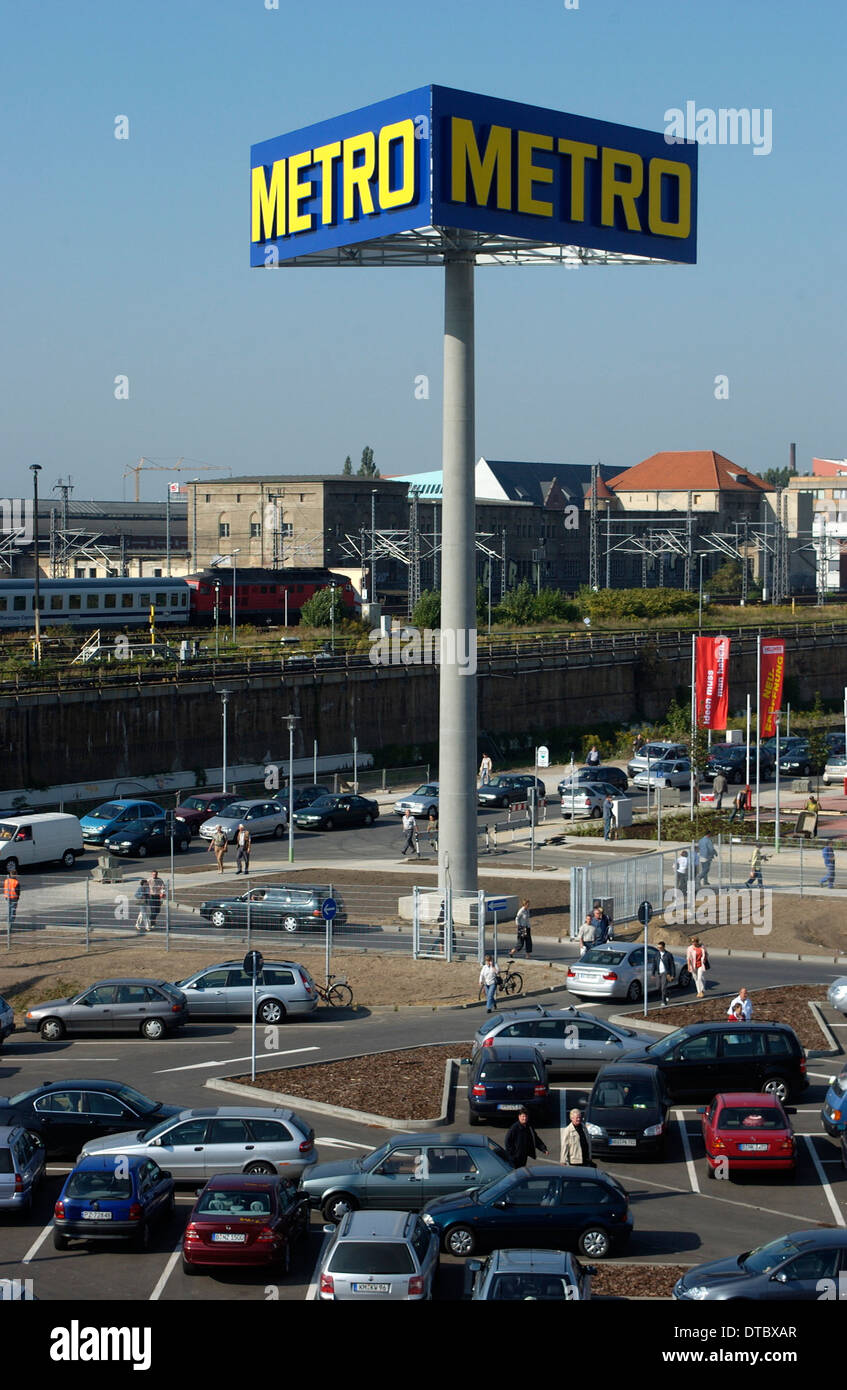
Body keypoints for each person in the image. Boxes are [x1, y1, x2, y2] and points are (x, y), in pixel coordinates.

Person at [651, 939, 676, 1006]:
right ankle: (667, 993)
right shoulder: (656, 954)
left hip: (665, 973)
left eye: (660, 947)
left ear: (664, 947)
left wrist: (673, 975)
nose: (659, 949)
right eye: (658, 947)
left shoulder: (668, 955)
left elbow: (672, 965)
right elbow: (654, 964)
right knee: (658, 987)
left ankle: (663, 1001)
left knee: (663, 987)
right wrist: (653, 973)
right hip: (658, 972)